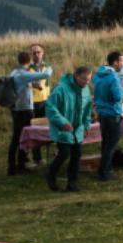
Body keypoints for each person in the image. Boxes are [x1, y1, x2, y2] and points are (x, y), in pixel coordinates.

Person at [44, 65, 95, 193]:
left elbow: (87, 110)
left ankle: (72, 183)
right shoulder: (61, 89)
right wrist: (62, 122)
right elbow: (50, 108)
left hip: (77, 129)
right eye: (84, 79)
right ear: (76, 76)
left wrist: (87, 124)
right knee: (64, 153)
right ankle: (51, 176)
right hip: (63, 129)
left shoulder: (86, 90)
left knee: (77, 154)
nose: (86, 82)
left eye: (89, 80)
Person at [5, 50, 53, 175]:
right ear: (29, 61)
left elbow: (21, 86)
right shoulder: (24, 74)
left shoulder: (14, 72)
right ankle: (21, 166)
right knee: (23, 137)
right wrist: (48, 67)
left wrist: (32, 86)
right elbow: (46, 75)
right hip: (24, 110)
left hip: (16, 109)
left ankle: (12, 166)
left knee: (16, 137)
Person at [91, 54, 123, 181]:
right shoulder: (113, 77)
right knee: (111, 145)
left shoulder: (97, 76)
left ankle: (107, 169)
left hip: (103, 114)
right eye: (122, 61)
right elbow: (117, 97)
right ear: (115, 63)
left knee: (106, 144)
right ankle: (104, 172)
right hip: (113, 114)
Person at [26, 42, 54, 165]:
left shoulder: (47, 66)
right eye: (34, 52)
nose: (36, 54)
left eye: (39, 52)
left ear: (43, 53)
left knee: (48, 127)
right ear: (30, 55)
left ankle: (50, 153)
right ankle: (37, 158)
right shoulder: (27, 69)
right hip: (32, 103)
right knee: (34, 129)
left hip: (46, 101)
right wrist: (32, 84)